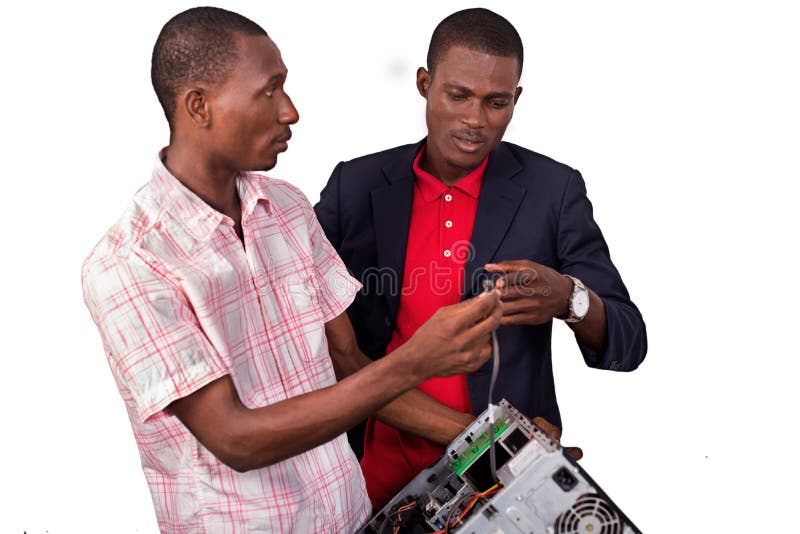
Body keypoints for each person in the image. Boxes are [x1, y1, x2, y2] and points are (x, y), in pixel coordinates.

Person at [81, 7, 502, 533]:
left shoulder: (287, 208)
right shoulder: (130, 263)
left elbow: (347, 361)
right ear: (199, 106)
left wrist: (494, 439)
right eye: (270, 89)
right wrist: (417, 360)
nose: (290, 110)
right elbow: (236, 438)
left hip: (352, 520)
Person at [314, 7, 648, 508]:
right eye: (458, 95)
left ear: (516, 99)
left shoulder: (553, 191)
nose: (475, 120)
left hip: (504, 483)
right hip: (368, 476)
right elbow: (302, 333)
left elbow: (629, 339)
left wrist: (569, 298)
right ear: (425, 83)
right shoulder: (354, 187)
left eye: (496, 102)